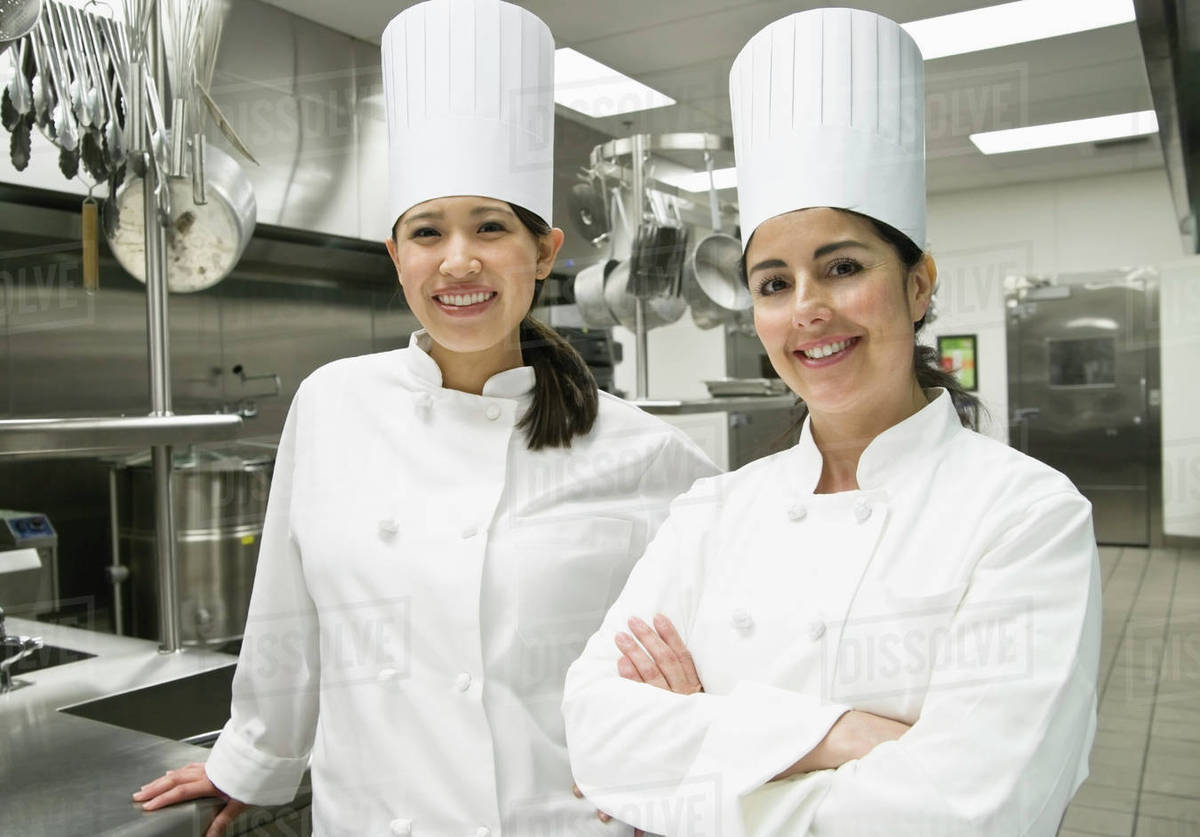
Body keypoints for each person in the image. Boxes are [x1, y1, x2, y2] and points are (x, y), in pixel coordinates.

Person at [132, 2, 717, 835]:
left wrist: (687, 743)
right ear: (396, 255)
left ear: (544, 252)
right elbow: (287, 617)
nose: (458, 260)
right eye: (428, 232)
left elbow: (735, 641)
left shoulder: (652, 454)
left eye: (491, 227)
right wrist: (251, 761)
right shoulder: (332, 405)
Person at [562, 8, 1101, 837]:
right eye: (774, 283)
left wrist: (697, 761)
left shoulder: (1026, 515)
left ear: (918, 284)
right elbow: (596, 732)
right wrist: (841, 734)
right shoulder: (714, 510)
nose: (807, 309)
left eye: (842, 267)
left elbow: (971, 815)